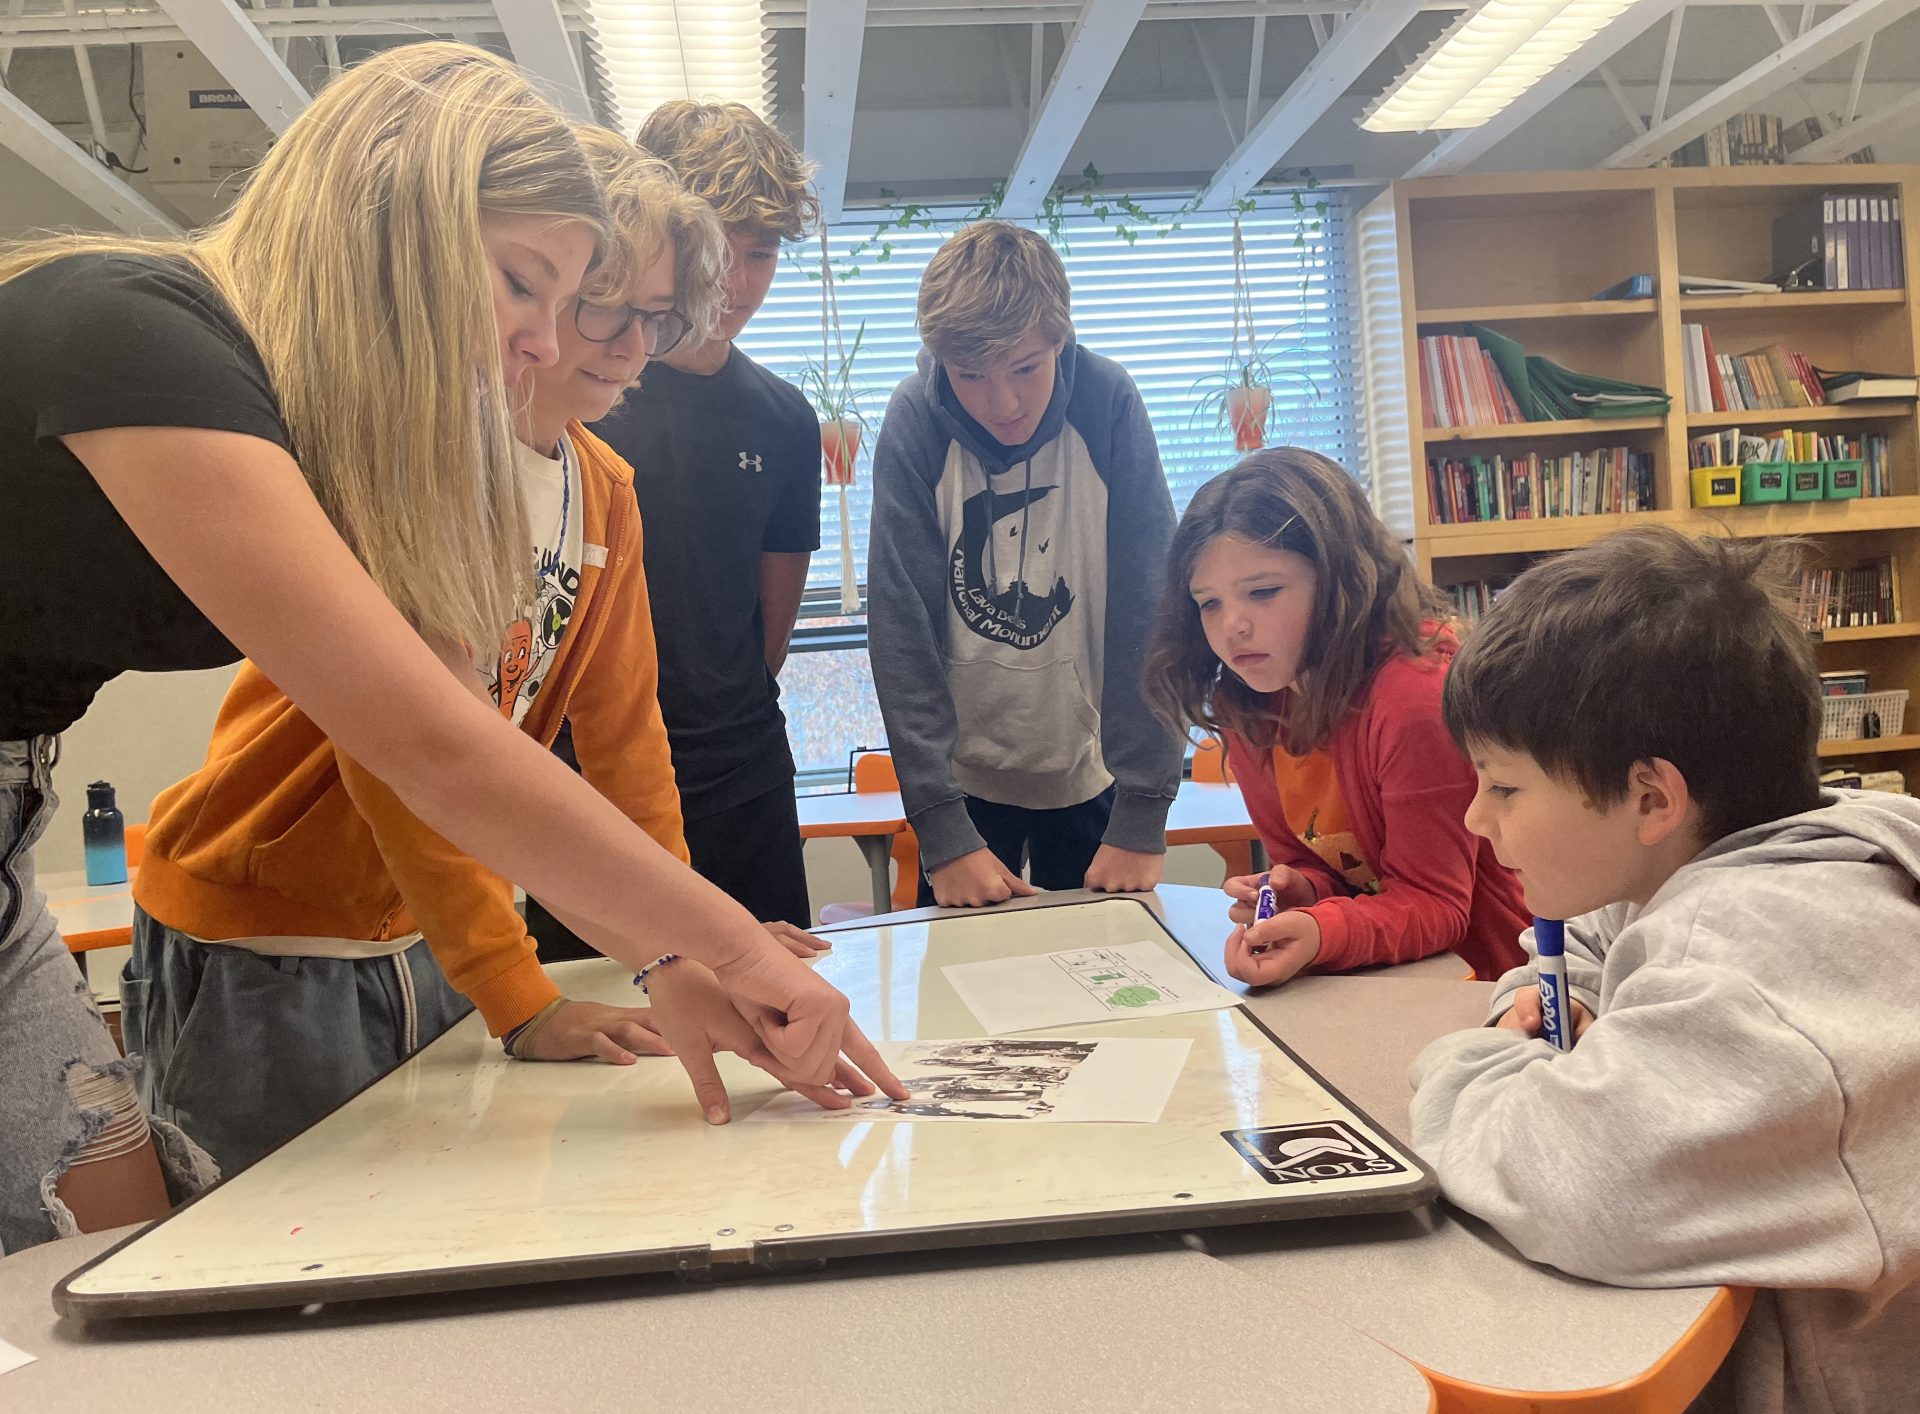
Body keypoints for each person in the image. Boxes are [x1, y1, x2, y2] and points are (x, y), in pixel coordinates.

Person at [0, 44, 898, 1255]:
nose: (542, 340)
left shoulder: (346, 449)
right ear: (389, 219)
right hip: (251, 930)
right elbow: (428, 743)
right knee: (120, 1261)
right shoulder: (133, 329)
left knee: (100, 1252)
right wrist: (718, 944)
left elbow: (547, 742)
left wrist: (668, 950)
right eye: (523, 283)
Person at [123, 131, 835, 1174]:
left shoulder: (605, 492)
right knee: (275, 1257)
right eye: (603, 304)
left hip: (429, 932)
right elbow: (399, 762)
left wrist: (670, 948)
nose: (628, 346)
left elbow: (627, 746)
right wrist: (520, 992)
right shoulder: (420, 462)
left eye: (654, 319)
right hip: (264, 936)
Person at [1410, 526, 1920, 1414]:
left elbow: (1576, 1184)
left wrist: (1469, 1060)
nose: (1475, 817)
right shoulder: (1766, 848)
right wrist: (1555, 999)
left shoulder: (1752, 966)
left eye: (1505, 788)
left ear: (1652, 799)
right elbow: (1579, 941)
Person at [531, 99, 824, 953]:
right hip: (588, 783)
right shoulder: (580, 389)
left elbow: (769, 627)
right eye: (718, 247)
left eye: (761, 253)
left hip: (743, 777)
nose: (736, 280)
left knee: (782, 1021)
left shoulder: (784, 419)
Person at [867, 220, 1182, 908]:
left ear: (1059, 341)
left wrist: (1145, 806)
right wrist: (942, 829)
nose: (1001, 403)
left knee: (1113, 996)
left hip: (1093, 772)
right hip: (962, 789)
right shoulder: (915, 420)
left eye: (1024, 369)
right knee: (960, 1004)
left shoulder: (1108, 404)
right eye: (971, 375)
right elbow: (901, 630)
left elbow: (1153, 606)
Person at [1142, 449, 1526, 983]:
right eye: (1208, 603)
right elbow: (1328, 871)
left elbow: (1438, 906)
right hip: (1377, 983)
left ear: (1343, 581)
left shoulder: (1416, 698)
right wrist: (1300, 892)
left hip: (1492, 988)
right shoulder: (1250, 698)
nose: (1232, 626)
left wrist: (1320, 932)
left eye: (1263, 592)